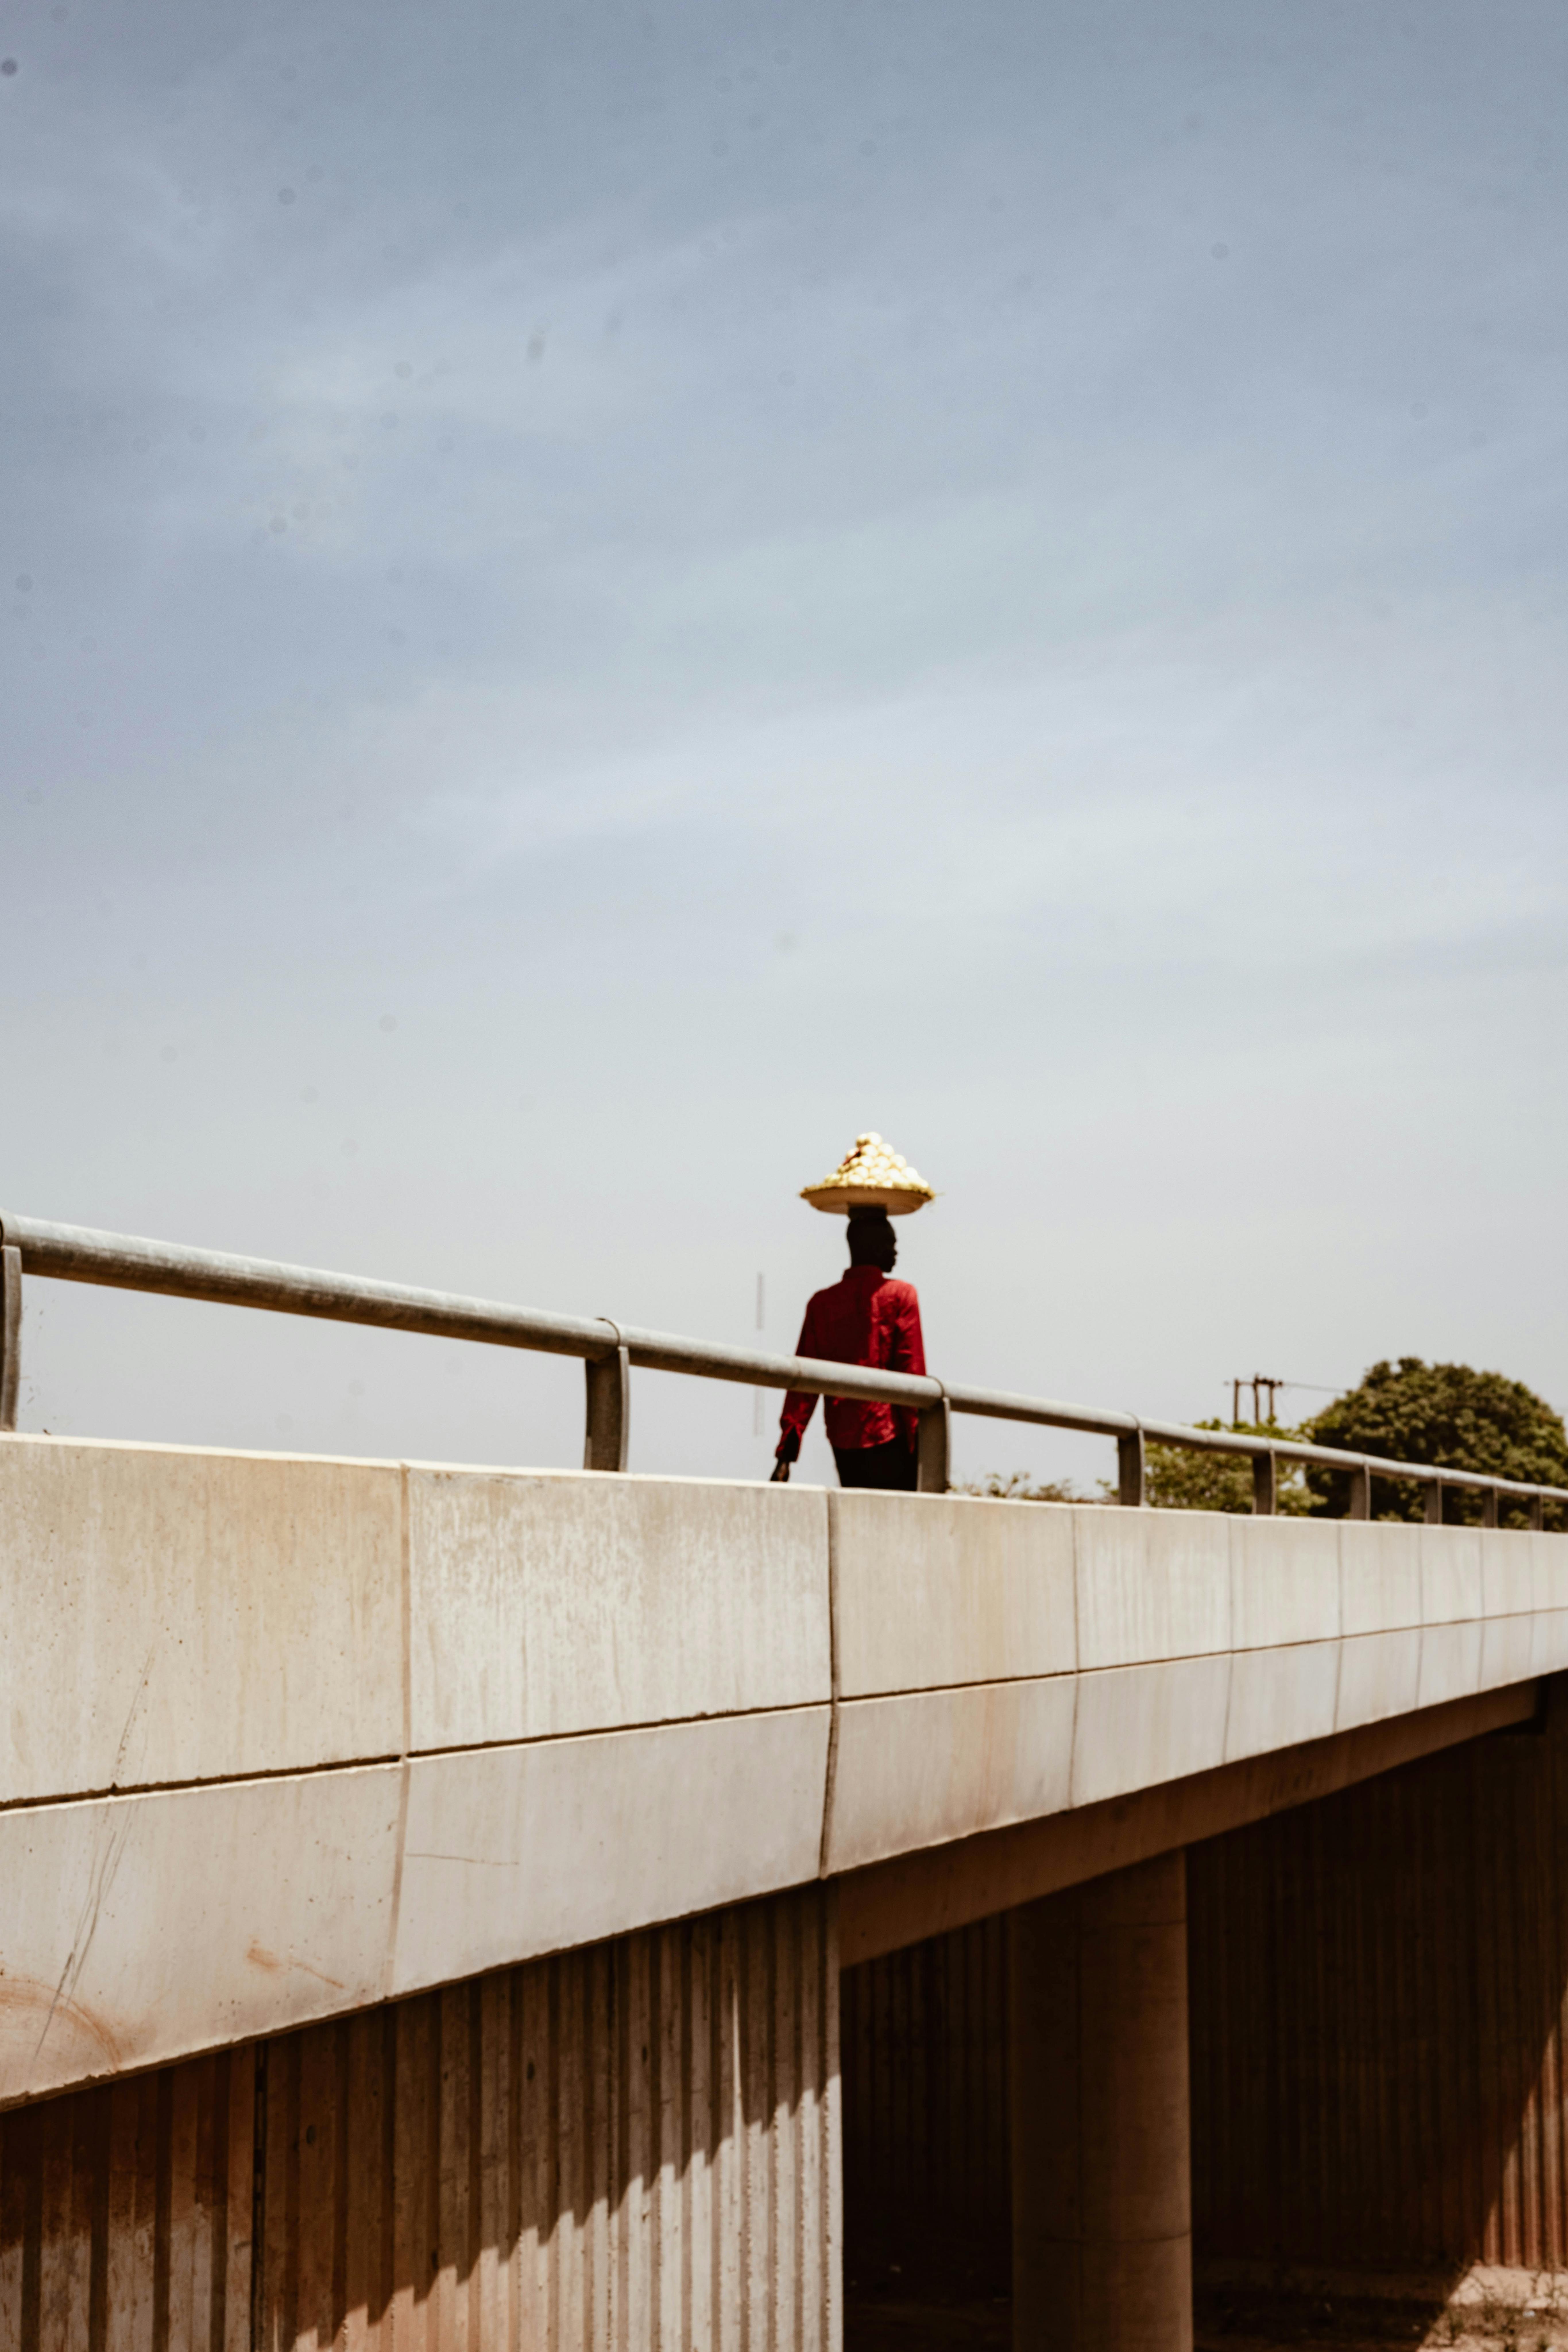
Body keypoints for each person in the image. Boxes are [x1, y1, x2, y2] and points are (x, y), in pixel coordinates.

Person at [771, 1205, 926, 1489]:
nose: (895, 1253)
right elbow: (911, 1373)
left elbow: (803, 1381)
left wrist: (786, 1456)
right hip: (891, 1438)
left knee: (857, 1522)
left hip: (843, 1440)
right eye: (890, 1244)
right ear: (872, 1247)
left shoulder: (822, 1303)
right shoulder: (901, 1295)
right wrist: (922, 1445)